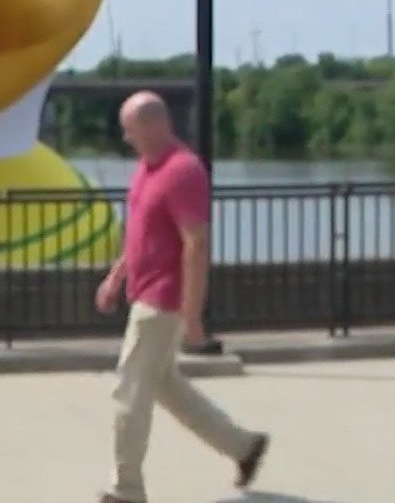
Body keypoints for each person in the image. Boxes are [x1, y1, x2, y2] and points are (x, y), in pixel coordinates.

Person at [95, 91, 270, 502]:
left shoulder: (183, 171)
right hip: (143, 290)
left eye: (131, 130)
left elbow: (196, 244)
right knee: (165, 386)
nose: (127, 138)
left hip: (162, 299)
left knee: (130, 389)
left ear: (155, 124)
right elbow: (142, 232)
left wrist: (192, 315)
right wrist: (116, 276)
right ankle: (244, 447)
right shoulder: (147, 168)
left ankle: (126, 490)